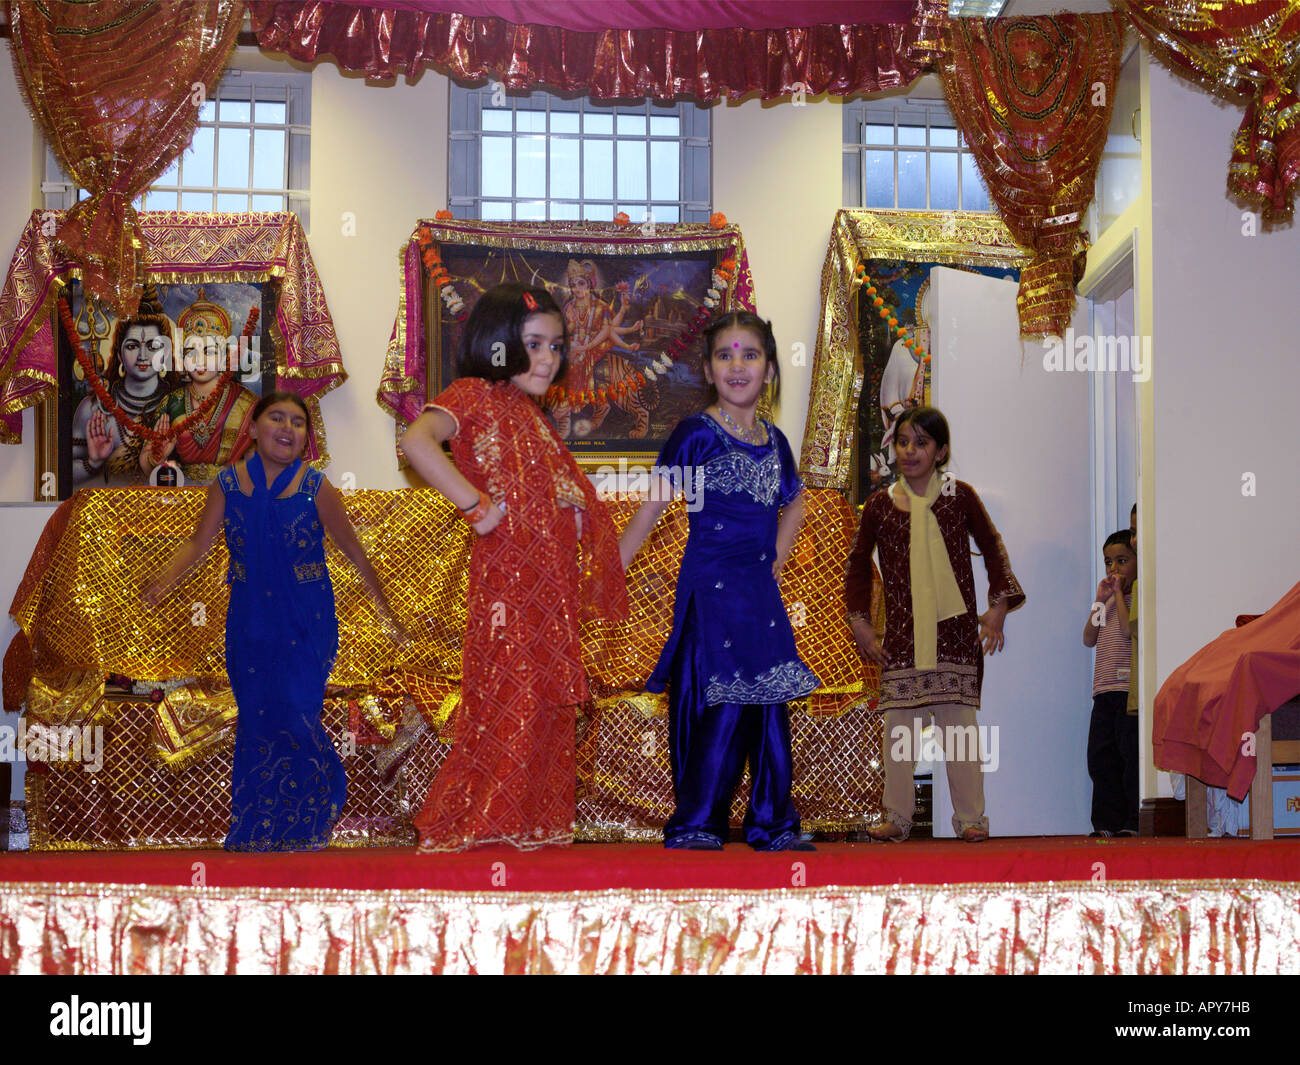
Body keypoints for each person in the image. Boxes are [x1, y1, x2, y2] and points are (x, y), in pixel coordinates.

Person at [401, 283, 628, 851]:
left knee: (551, 704)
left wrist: (575, 517)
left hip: (550, 595)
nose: (549, 358)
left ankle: (527, 828)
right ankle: (483, 829)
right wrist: (475, 505)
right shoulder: (474, 394)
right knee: (513, 697)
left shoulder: (533, 421)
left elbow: (563, 515)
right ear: (499, 342)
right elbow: (417, 441)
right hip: (505, 591)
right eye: (533, 343)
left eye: (556, 345)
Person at [142, 391, 402, 851]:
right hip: (249, 624)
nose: (288, 428)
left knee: (295, 714)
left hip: (307, 622)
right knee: (259, 720)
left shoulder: (316, 486)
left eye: (298, 422)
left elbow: (353, 549)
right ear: (255, 427)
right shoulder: (225, 485)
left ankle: (309, 812)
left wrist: (385, 607)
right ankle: (260, 826)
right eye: (277, 418)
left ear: (306, 435)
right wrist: (163, 580)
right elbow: (198, 544)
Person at [619, 310, 819, 852]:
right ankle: (698, 823)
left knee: (771, 703)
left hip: (759, 594)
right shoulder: (694, 435)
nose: (738, 366)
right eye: (725, 356)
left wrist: (776, 557)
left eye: (750, 355)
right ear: (708, 370)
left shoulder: (774, 440)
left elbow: (796, 501)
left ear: (770, 369)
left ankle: (773, 824)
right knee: (724, 706)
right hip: (710, 592)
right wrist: (610, 574)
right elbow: (650, 511)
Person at [844, 406, 1025, 842]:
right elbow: (857, 566)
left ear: (941, 451)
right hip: (902, 638)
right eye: (903, 442)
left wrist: (999, 605)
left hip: (955, 636)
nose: (910, 451)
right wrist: (861, 624)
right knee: (898, 737)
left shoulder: (959, 496)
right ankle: (898, 818)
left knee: (960, 735)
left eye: (921, 443)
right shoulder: (880, 507)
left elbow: (992, 547)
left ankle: (971, 821)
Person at [140, 290, 258, 484]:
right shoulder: (172, 402)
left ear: (224, 356)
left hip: (233, 494)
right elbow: (145, 464)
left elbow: (262, 463)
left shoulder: (247, 404)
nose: (199, 360)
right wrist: (155, 458)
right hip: (182, 496)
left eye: (209, 351)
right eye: (190, 352)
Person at [71, 284, 178, 488]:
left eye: (152, 346)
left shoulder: (178, 406)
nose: (143, 355)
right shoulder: (94, 408)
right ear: (119, 354)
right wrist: (93, 462)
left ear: (165, 354)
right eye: (132, 346)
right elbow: (63, 477)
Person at [553, 259, 649, 439]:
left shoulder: (601, 307)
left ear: (589, 284)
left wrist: (586, 347)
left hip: (594, 347)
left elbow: (609, 330)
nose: (577, 288)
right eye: (573, 285)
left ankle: (640, 419)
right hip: (574, 349)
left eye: (581, 283)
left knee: (573, 369)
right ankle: (564, 425)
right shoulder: (568, 307)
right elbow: (565, 330)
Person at [1083, 530, 1139, 837]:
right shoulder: (1105, 602)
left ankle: (1131, 821)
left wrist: (1118, 594)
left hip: (1126, 692)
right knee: (1100, 758)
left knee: (1128, 757)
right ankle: (1105, 822)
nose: (1113, 568)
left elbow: (1130, 631)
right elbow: (1088, 638)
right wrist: (1100, 600)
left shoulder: (1134, 597)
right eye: (1108, 562)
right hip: (1103, 692)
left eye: (1121, 561)